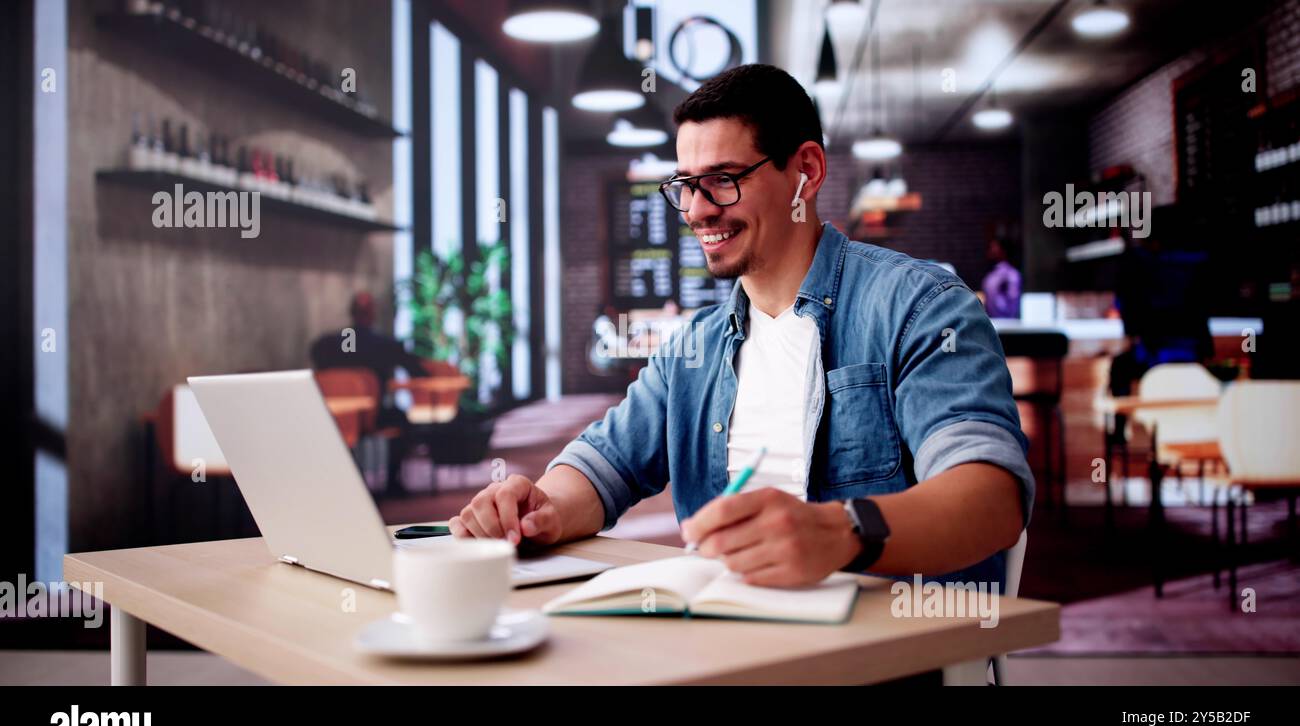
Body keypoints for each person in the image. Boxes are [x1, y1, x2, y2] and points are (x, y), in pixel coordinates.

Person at [452, 64, 1032, 588]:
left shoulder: (919, 306)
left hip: (891, 646)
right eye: (686, 185)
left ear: (805, 172)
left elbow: (991, 496)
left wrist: (841, 532)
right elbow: (605, 464)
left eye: (724, 179)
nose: (698, 209)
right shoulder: (695, 347)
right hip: (730, 639)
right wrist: (539, 508)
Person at [309, 291, 429, 421]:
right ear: (373, 314)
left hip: (334, 418)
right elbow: (418, 372)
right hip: (372, 418)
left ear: (351, 312)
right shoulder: (386, 346)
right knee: (402, 419)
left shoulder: (326, 345)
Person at [981, 237, 1022, 319]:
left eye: (994, 247)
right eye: (990, 247)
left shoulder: (1011, 274)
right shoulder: (991, 273)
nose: (991, 250)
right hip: (992, 320)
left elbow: (1013, 300)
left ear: (1003, 251)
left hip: (1006, 321)